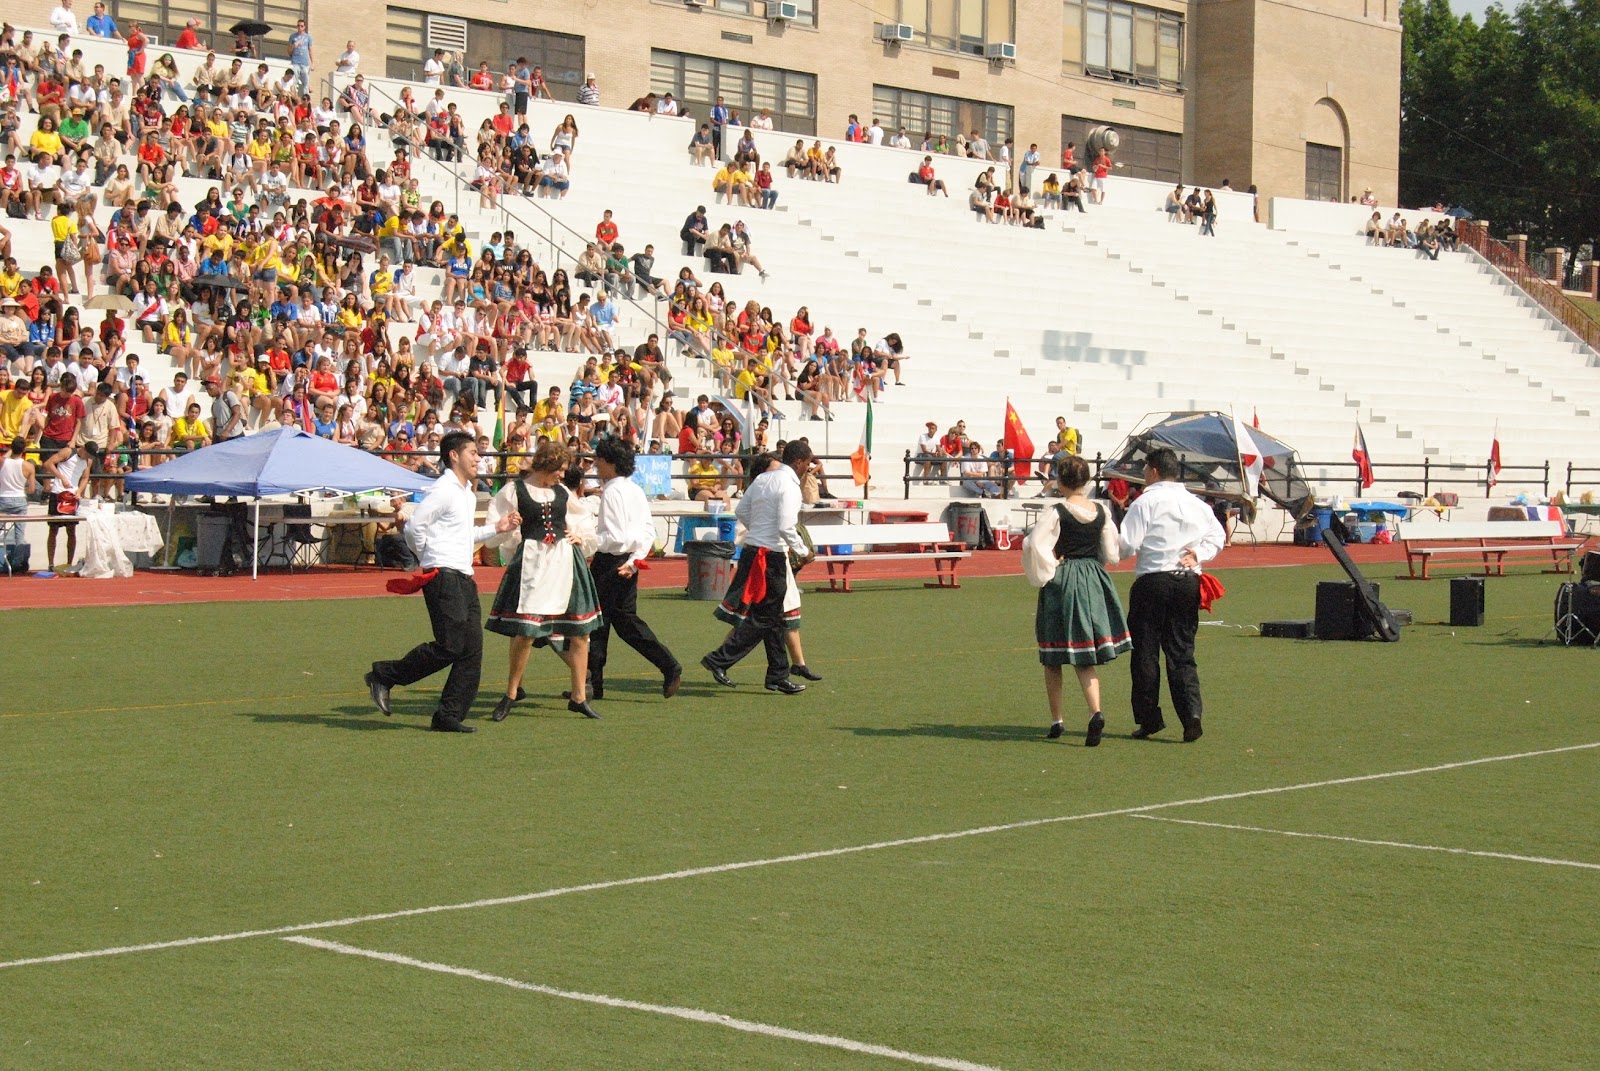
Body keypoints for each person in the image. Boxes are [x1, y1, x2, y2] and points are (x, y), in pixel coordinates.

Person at [367, 431, 521, 733]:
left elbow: (463, 536)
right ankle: (384, 675)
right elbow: (414, 527)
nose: (478, 458)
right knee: (451, 646)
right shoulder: (444, 490)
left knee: (472, 650)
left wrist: (496, 527)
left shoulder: (464, 492)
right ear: (454, 455)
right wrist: (429, 556)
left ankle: (448, 715)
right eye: (473, 453)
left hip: (463, 576)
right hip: (443, 576)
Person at [484, 441, 603, 722]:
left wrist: (580, 537)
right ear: (547, 465)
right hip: (534, 564)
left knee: (580, 632)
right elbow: (494, 531)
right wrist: (508, 527)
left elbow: (583, 518)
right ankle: (512, 692)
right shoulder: (515, 491)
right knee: (525, 632)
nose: (562, 476)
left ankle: (578, 697)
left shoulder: (561, 492)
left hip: (565, 562)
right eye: (559, 469)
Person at [1117, 447, 1224, 742]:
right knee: (1182, 653)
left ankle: (1149, 718)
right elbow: (1218, 535)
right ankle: (1192, 715)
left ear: (1152, 471)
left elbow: (1126, 545)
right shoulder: (1197, 503)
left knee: (1145, 653)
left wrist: (1103, 549)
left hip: (1153, 580)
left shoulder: (1145, 502)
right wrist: (1199, 553)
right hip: (1187, 581)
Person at [1024, 455, 1131, 746]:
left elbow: (1034, 543)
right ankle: (1095, 711)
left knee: (1053, 654)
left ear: (1060, 480)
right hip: (1093, 579)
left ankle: (1057, 719)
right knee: (1084, 656)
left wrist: (1051, 566)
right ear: (1085, 481)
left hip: (1065, 578)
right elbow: (1111, 555)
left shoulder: (1057, 511)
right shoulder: (1101, 511)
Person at [700, 439, 814, 693]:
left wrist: (758, 532)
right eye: (807, 462)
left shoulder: (764, 479)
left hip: (752, 551)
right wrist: (803, 551)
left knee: (771, 617)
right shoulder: (789, 486)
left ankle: (778, 674)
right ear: (798, 462)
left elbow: (741, 511)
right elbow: (786, 527)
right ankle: (719, 659)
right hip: (769, 555)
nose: (808, 467)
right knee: (764, 618)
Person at [586, 437, 682, 700]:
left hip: (610, 563)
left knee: (598, 622)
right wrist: (633, 561)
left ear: (611, 463)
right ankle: (593, 683)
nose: (596, 464)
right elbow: (647, 532)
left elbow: (615, 537)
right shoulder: (635, 490)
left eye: (600, 459)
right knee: (619, 622)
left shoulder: (612, 491)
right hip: (626, 562)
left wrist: (587, 538)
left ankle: (594, 683)